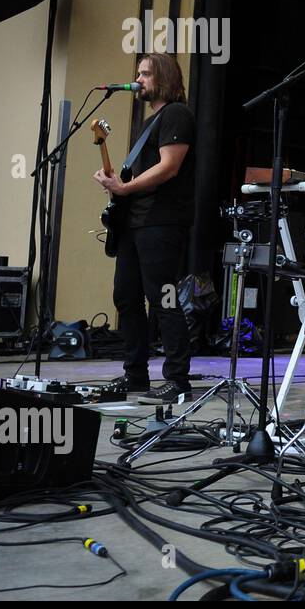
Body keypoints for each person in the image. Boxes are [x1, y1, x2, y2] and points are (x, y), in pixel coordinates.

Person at [93, 53, 196, 405]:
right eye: (137, 73)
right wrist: (115, 183)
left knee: (163, 298)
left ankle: (178, 380)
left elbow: (169, 168)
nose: (138, 80)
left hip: (162, 222)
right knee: (126, 296)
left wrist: (125, 188)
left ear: (164, 78)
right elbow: (140, 176)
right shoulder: (151, 122)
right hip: (136, 223)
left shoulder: (176, 114)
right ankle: (135, 376)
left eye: (146, 74)